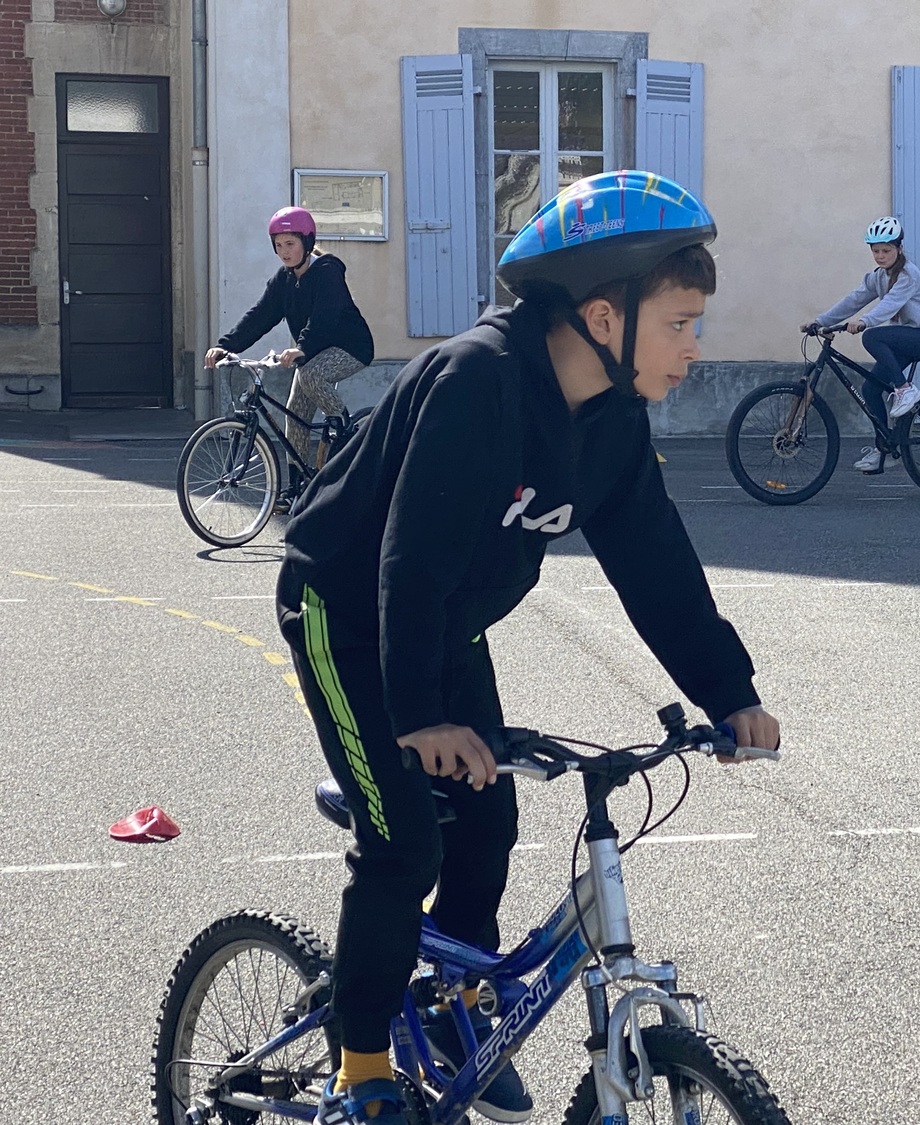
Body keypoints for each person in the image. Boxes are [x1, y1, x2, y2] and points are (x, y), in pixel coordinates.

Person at [273, 170, 781, 1125]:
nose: (694, 347)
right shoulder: (480, 381)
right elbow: (407, 558)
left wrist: (728, 691)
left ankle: (459, 1005)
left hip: (442, 619)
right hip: (345, 608)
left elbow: (658, 567)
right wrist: (420, 716)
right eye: (679, 323)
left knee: (490, 824)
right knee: (404, 839)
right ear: (603, 315)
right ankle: (363, 1061)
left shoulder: (614, 421)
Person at [205, 206, 375, 477]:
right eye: (279, 245)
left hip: (350, 347)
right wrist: (227, 345)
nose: (284, 251)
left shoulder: (328, 271)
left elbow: (324, 317)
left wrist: (301, 348)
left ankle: (346, 431)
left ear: (306, 243)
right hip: (311, 352)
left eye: (291, 244)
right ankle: (297, 488)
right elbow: (259, 316)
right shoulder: (283, 281)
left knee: (310, 375)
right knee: (295, 414)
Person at [801, 216, 920, 473]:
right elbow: (853, 300)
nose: (880, 256)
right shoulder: (878, 277)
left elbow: (891, 305)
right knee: (870, 389)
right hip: (902, 338)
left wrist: (865, 322)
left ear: (898, 248)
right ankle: (886, 449)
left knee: (872, 336)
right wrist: (819, 321)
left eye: (886, 250)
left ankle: (904, 389)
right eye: (875, 251)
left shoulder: (909, 274)